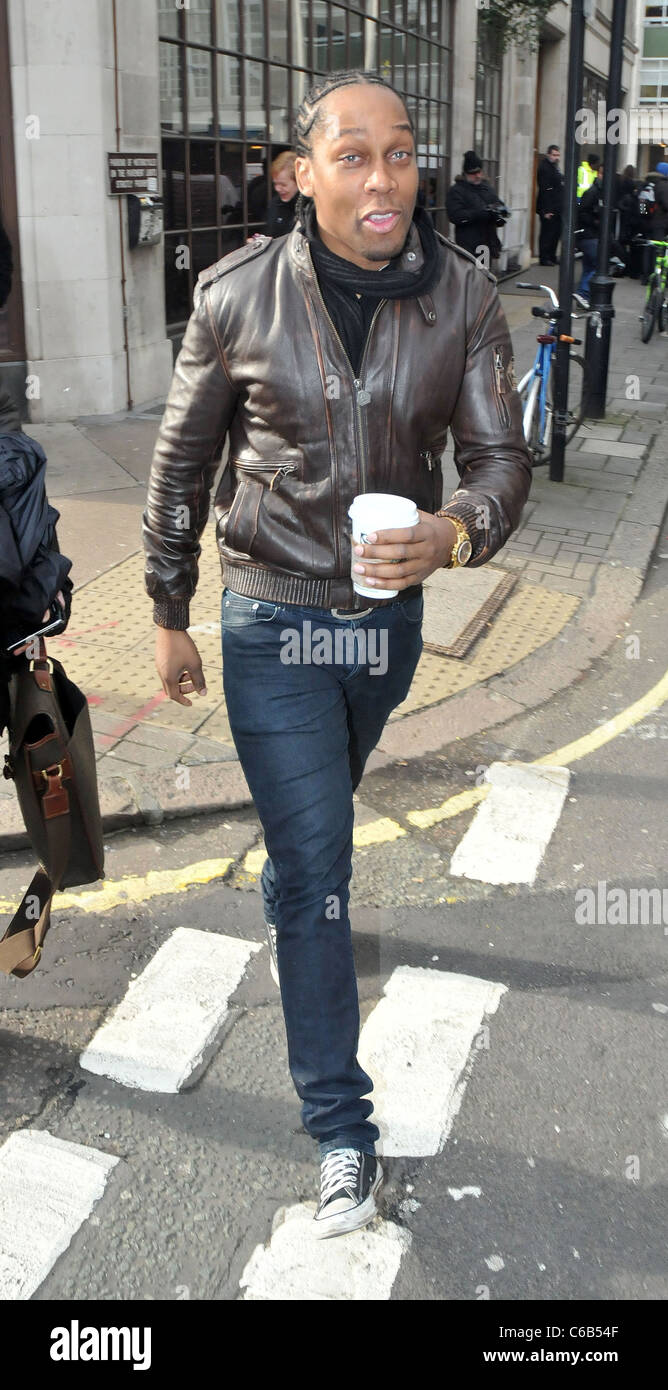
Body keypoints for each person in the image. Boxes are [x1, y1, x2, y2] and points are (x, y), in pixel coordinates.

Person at [142, 68, 531, 1240]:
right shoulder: (234, 297)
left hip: (383, 623)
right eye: (352, 155)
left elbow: (500, 463)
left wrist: (454, 532)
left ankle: (291, 885)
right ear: (297, 175)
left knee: (303, 849)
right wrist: (165, 609)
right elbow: (177, 467)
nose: (382, 178)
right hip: (269, 613)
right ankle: (340, 1132)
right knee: (320, 869)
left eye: (400, 154)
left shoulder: (463, 298)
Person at [445, 150, 508, 266]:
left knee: (484, 278)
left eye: (479, 171)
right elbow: (455, 216)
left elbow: (497, 204)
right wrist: (479, 213)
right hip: (468, 243)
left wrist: (501, 212)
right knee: (470, 279)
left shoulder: (486, 187)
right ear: (466, 173)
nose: (478, 175)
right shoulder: (456, 191)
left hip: (487, 242)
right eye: (474, 173)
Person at [575, 166, 603, 306]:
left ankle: (583, 295)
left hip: (590, 234)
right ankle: (583, 294)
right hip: (589, 234)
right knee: (595, 266)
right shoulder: (594, 192)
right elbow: (582, 212)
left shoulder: (599, 192)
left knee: (589, 267)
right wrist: (596, 221)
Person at [536, 144, 563, 266]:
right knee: (547, 233)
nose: (556, 157)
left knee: (555, 232)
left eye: (558, 155)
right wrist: (546, 210)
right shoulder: (545, 168)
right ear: (548, 155)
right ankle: (544, 257)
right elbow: (545, 189)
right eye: (554, 155)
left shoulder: (554, 167)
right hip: (548, 206)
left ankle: (551, 256)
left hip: (556, 206)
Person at [265, 151, 299, 238]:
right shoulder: (275, 204)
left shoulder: (311, 207)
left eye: (283, 185)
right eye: (275, 184)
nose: (277, 189)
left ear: (298, 181)